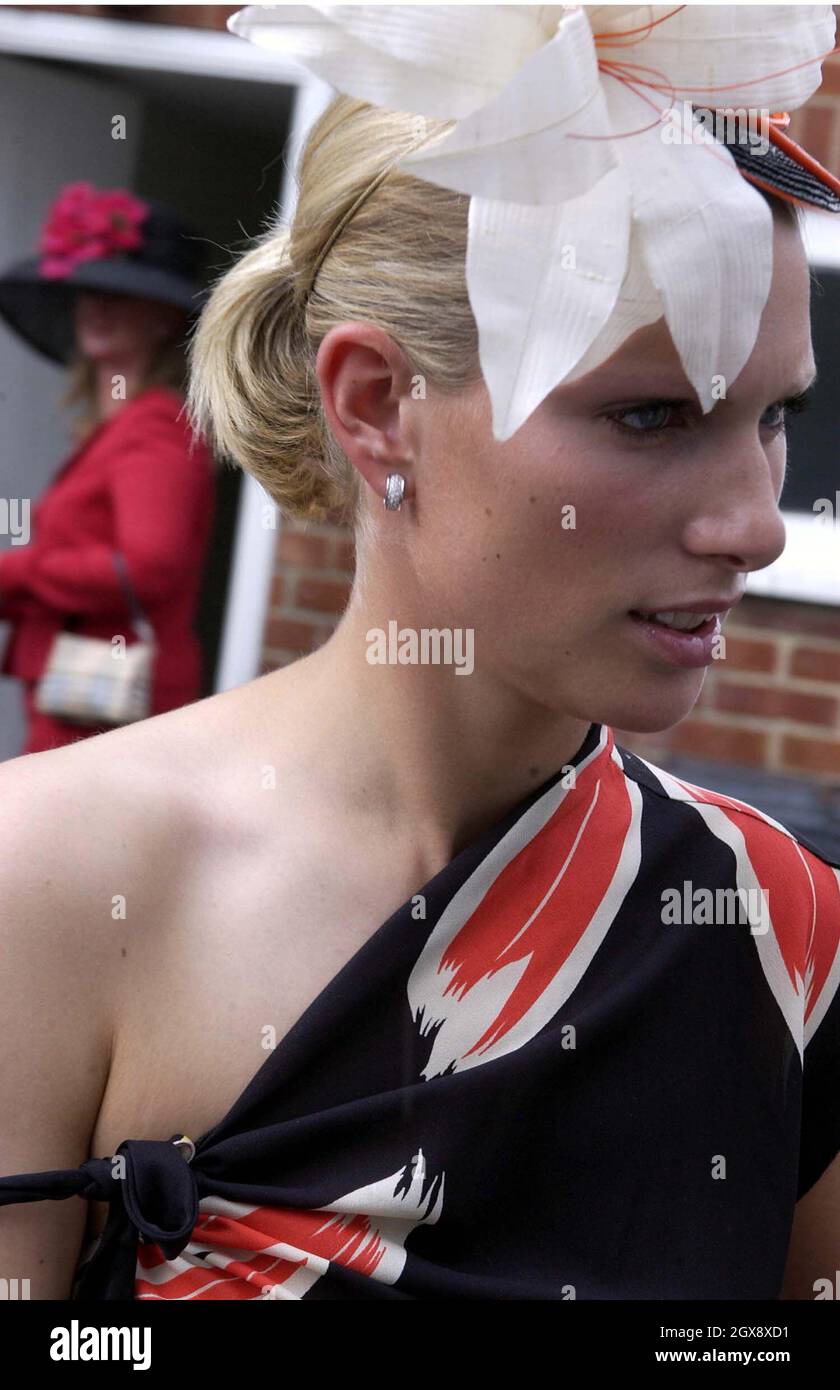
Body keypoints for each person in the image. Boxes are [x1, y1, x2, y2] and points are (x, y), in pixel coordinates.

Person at [0, 5, 839, 1302]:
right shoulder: (45, 884)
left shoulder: (783, 937)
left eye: (774, 416)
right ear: (381, 407)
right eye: (651, 413)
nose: (751, 525)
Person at [0, 182, 216, 754]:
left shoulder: (155, 427)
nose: (96, 308)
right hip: (76, 697)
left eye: (120, 295)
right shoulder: (119, 426)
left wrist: (16, 574)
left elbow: (146, 567)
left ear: (164, 319)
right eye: (87, 290)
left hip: (104, 707)